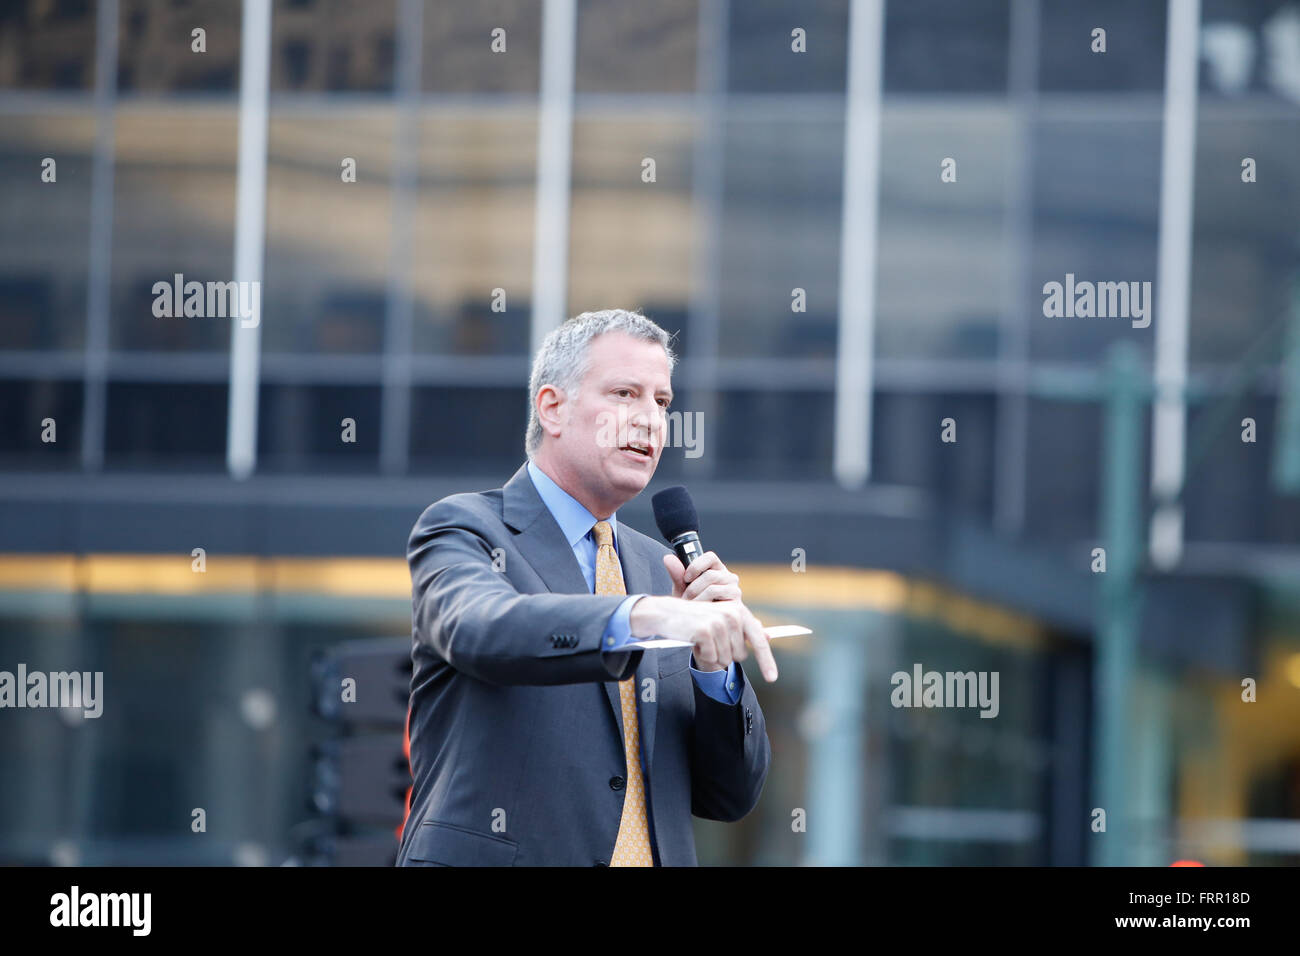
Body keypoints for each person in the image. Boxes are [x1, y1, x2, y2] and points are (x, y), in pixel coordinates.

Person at [397, 308, 776, 866]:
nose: (649, 419)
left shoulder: (661, 572)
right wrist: (644, 617)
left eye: (662, 402)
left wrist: (713, 669)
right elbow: (481, 628)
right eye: (625, 394)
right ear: (553, 407)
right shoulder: (464, 529)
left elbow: (729, 796)